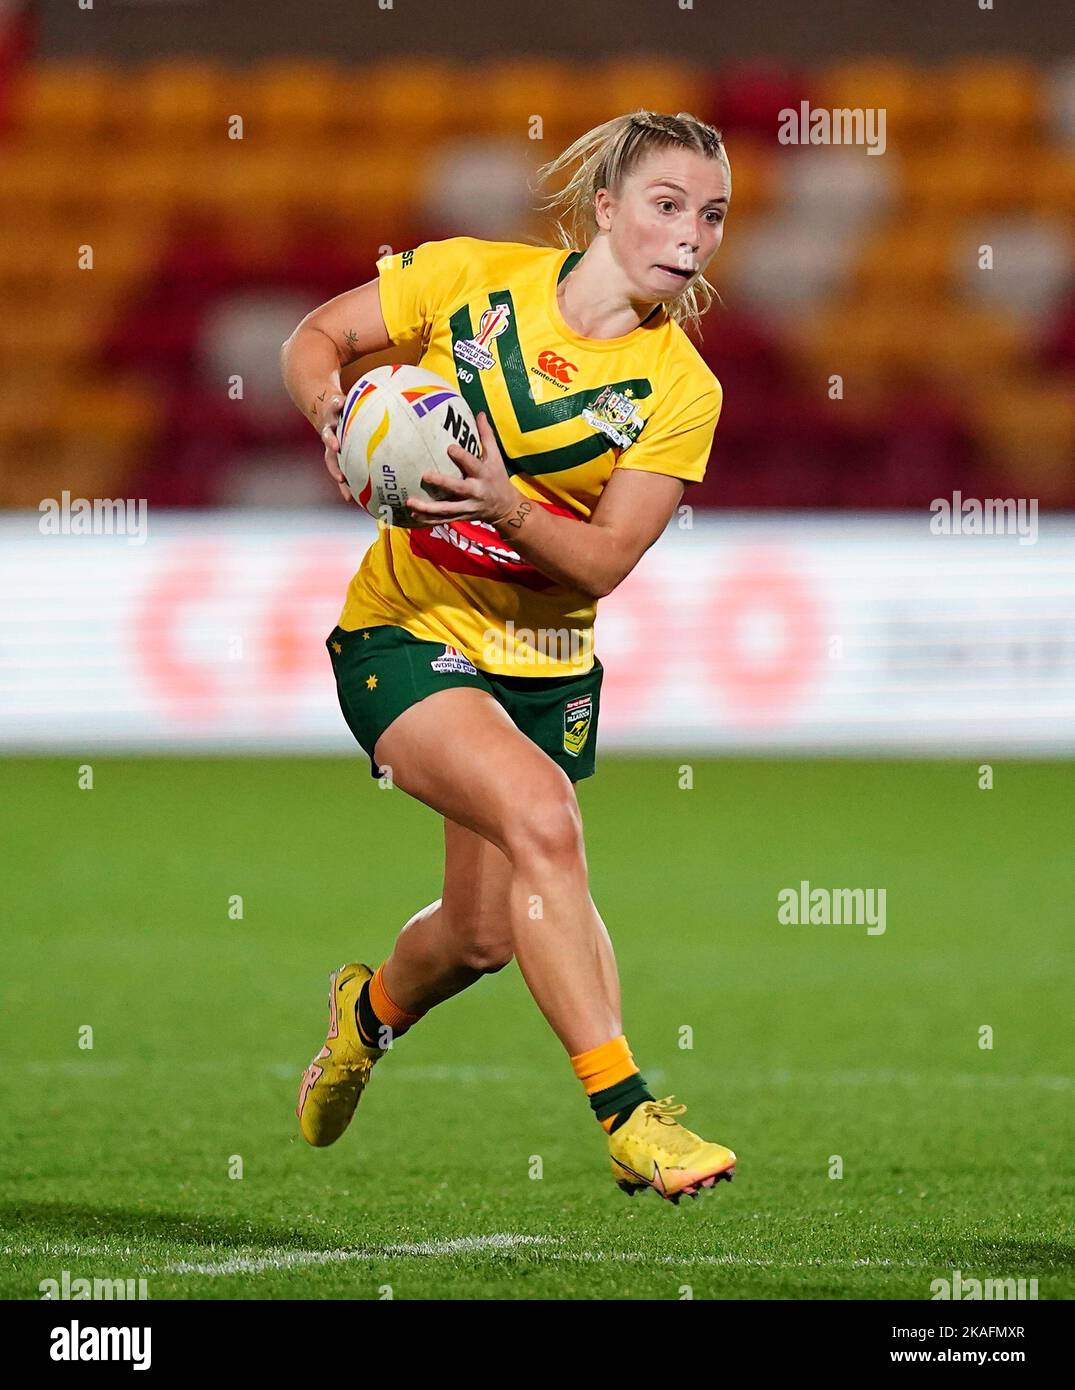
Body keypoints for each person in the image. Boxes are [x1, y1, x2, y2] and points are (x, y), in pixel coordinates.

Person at [280, 110, 736, 1203]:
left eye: (712, 215)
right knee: (542, 815)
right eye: (667, 205)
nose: (690, 234)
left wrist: (500, 504)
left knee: (480, 936)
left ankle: (366, 1014)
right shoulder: (468, 277)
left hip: (542, 662)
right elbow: (315, 339)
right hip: (406, 633)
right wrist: (335, 418)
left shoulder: (680, 392)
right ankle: (629, 1113)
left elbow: (600, 564)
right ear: (606, 209)